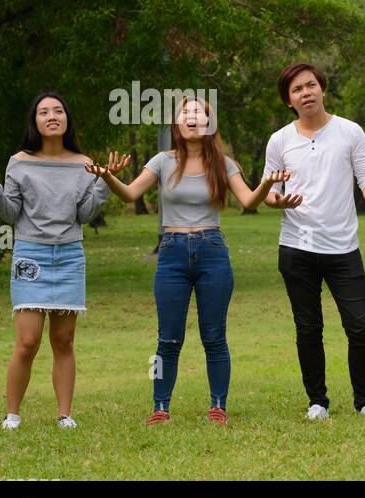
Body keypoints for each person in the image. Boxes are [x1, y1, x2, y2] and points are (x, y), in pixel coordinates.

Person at [91, 98, 289, 425]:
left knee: (214, 336)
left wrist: (267, 183)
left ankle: (218, 406)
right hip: (171, 253)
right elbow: (129, 194)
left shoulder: (223, 164)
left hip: (212, 251)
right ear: (176, 124)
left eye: (199, 113)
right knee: (167, 337)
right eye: (186, 113)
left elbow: (249, 200)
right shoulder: (161, 161)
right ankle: (159, 408)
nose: (192, 118)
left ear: (210, 123)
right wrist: (109, 177)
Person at [0, 92, 110, 430]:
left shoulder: (82, 163)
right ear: (35, 121)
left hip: (70, 255)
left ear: (67, 119)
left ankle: (64, 415)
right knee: (28, 342)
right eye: (44, 112)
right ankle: (12, 413)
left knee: (64, 341)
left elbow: (84, 215)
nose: (52, 116)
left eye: (58, 110)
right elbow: (12, 212)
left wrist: (103, 183)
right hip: (32, 256)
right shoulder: (19, 161)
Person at [265, 63, 365, 421]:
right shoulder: (280, 140)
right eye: (296, 90)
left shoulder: (349, 131)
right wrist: (279, 201)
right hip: (296, 246)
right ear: (289, 101)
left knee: (360, 327)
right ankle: (317, 401)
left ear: (322, 88)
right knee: (308, 328)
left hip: (342, 248)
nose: (305, 93)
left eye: (310, 85)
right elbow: (270, 192)